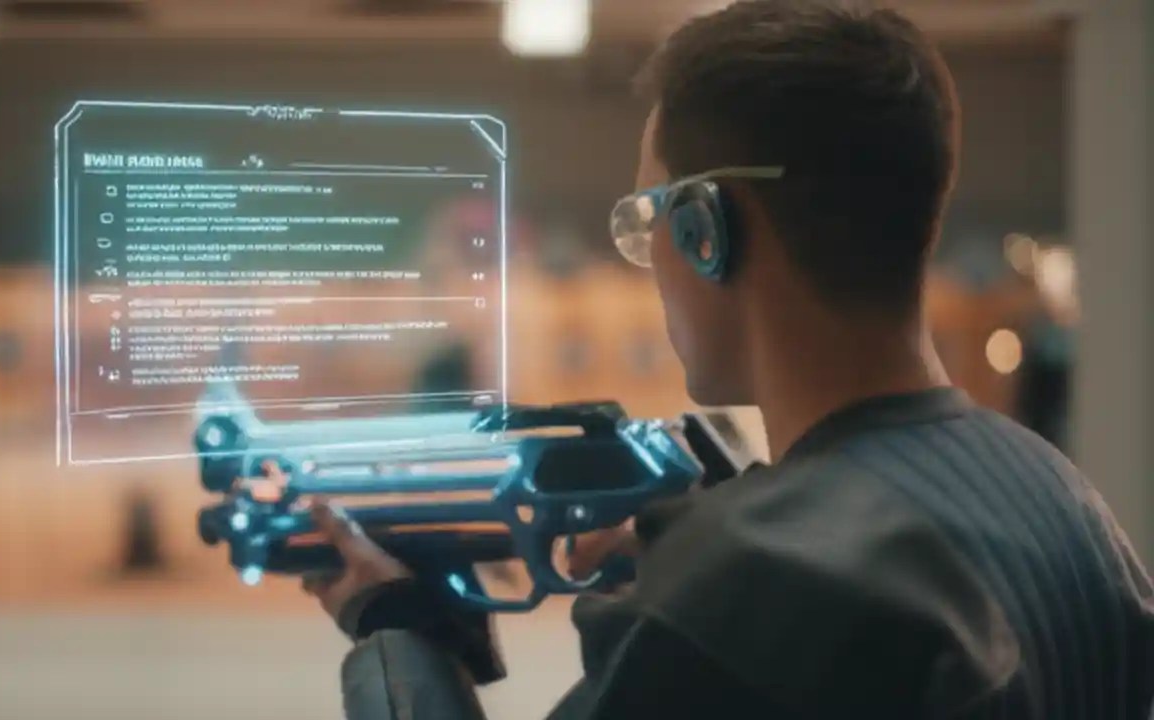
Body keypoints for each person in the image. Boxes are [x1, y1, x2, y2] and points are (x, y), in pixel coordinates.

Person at [294, 1, 1154, 717]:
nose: (650, 260)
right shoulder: (1064, 502)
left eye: (646, 222)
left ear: (705, 229)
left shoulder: (751, 590)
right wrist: (713, 544)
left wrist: (396, 634)